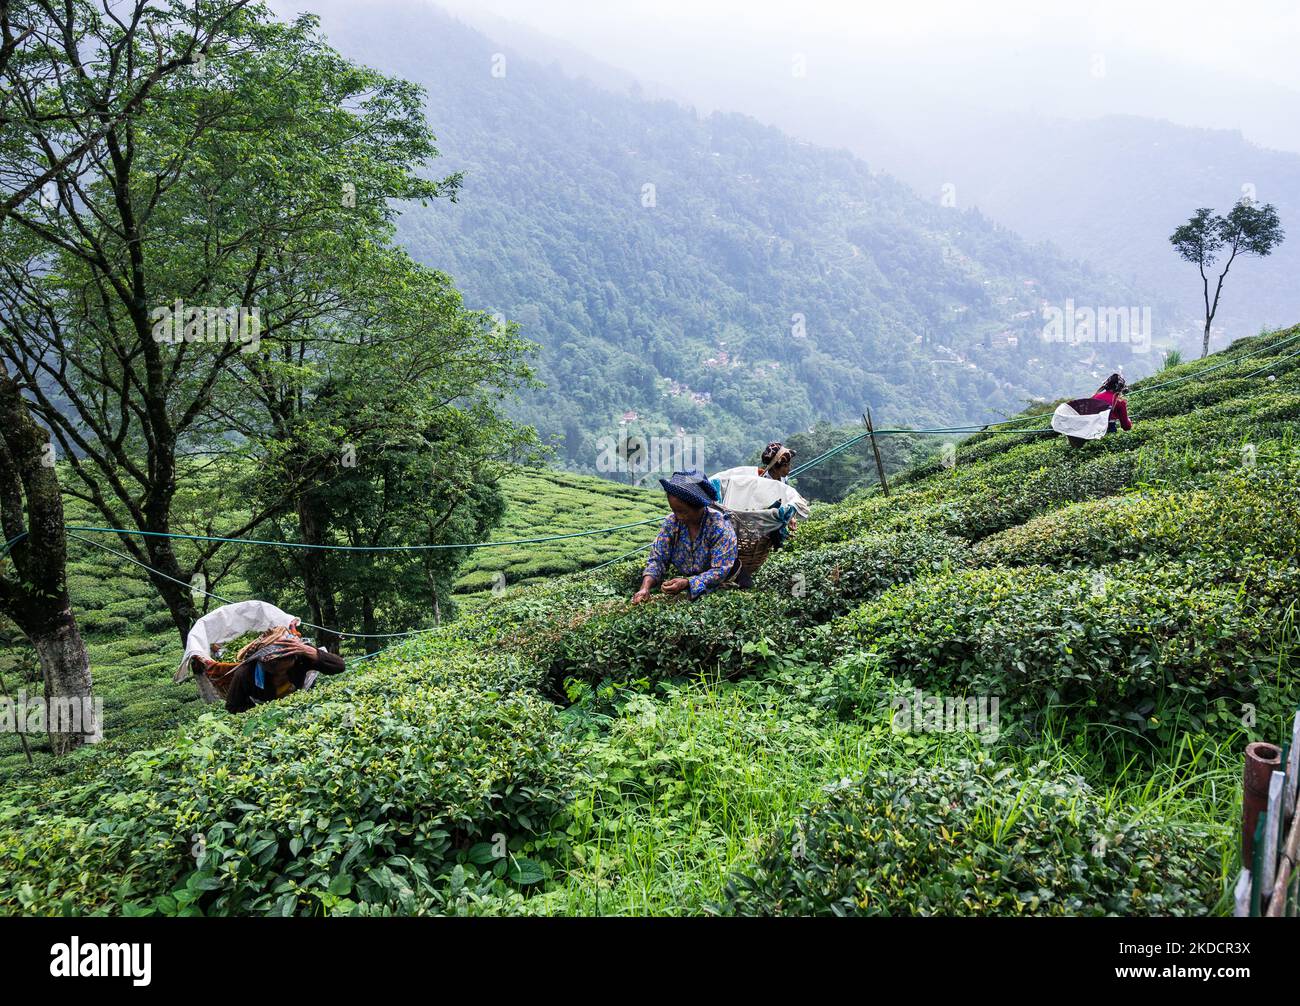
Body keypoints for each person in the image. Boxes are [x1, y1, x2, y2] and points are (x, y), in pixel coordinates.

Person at [632, 469, 740, 603]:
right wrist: (645, 587)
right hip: (687, 587)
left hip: (721, 589)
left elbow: (720, 571)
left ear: (699, 507)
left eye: (683, 511)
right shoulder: (672, 523)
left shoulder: (720, 527)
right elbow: (657, 558)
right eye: (674, 510)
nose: (678, 516)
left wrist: (687, 583)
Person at [191, 622, 346, 713]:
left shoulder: (300, 656)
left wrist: (310, 651)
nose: (275, 667)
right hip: (268, 709)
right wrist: (262, 713)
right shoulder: (246, 673)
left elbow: (339, 666)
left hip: (304, 700)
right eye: (270, 664)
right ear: (261, 661)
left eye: (280, 662)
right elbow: (233, 706)